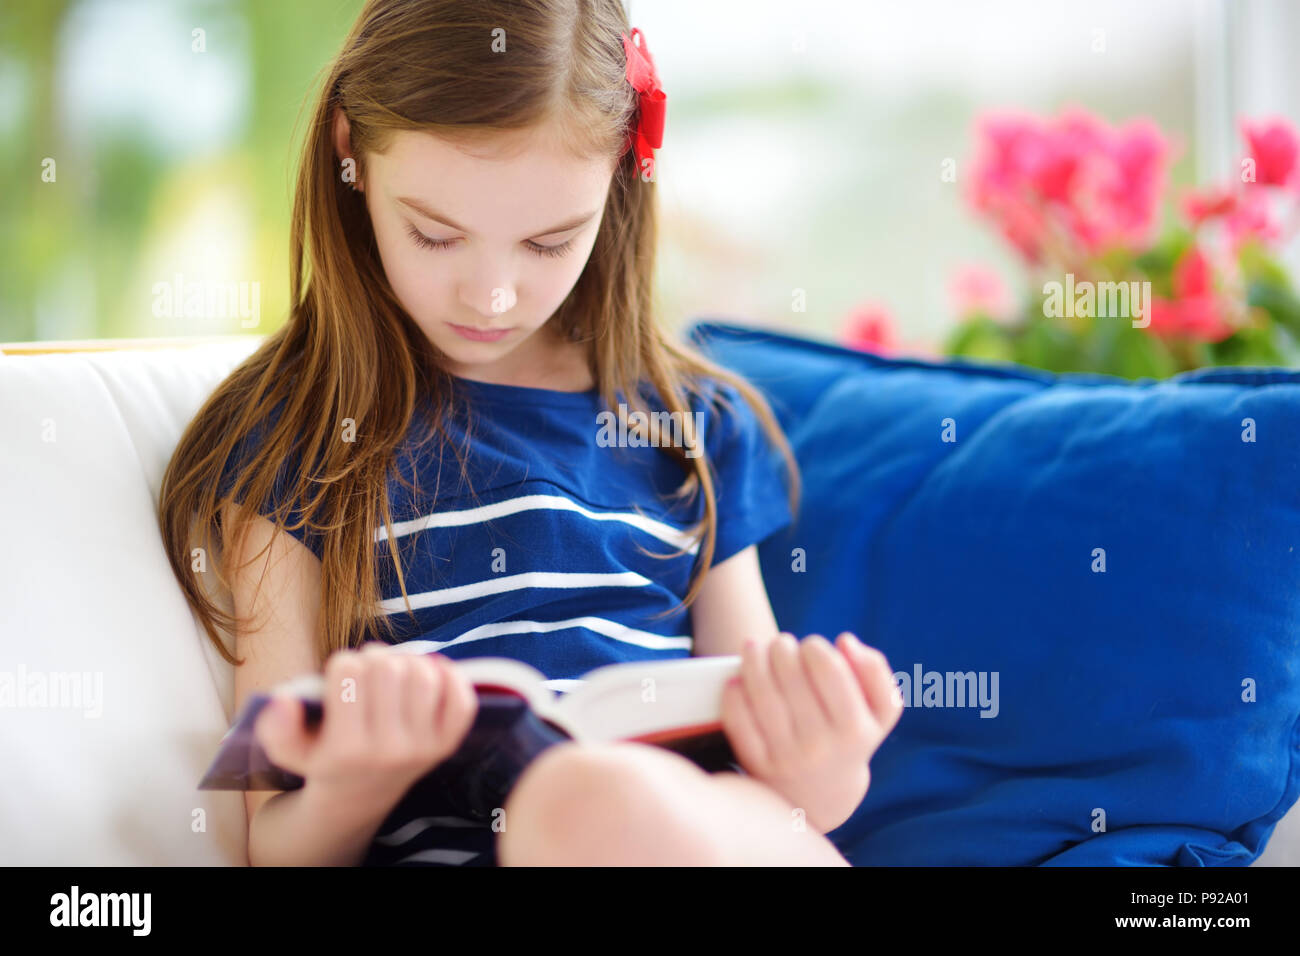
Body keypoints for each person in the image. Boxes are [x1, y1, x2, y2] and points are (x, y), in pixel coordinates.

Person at [158, 0, 903, 867]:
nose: (492, 296)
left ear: (620, 182)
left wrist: (826, 760)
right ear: (348, 153)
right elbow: (274, 844)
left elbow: (792, 802)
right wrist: (359, 779)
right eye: (434, 234)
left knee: (608, 803)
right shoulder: (295, 437)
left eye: (549, 243)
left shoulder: (687, 426)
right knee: (580, 806)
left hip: (709, 842)